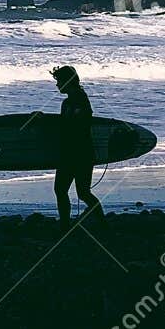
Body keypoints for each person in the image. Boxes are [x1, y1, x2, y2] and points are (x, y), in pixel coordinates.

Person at [51, 63, 104, 231]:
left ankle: (101, 223)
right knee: (61, 190)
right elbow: (63, 125)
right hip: (70, 153)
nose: (57, 84)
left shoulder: (81, 99)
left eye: (59, 81)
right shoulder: (67, 103)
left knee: (82, 192)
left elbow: (79, 126)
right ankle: (65, 224)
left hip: (81, 153)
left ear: (69, 81)